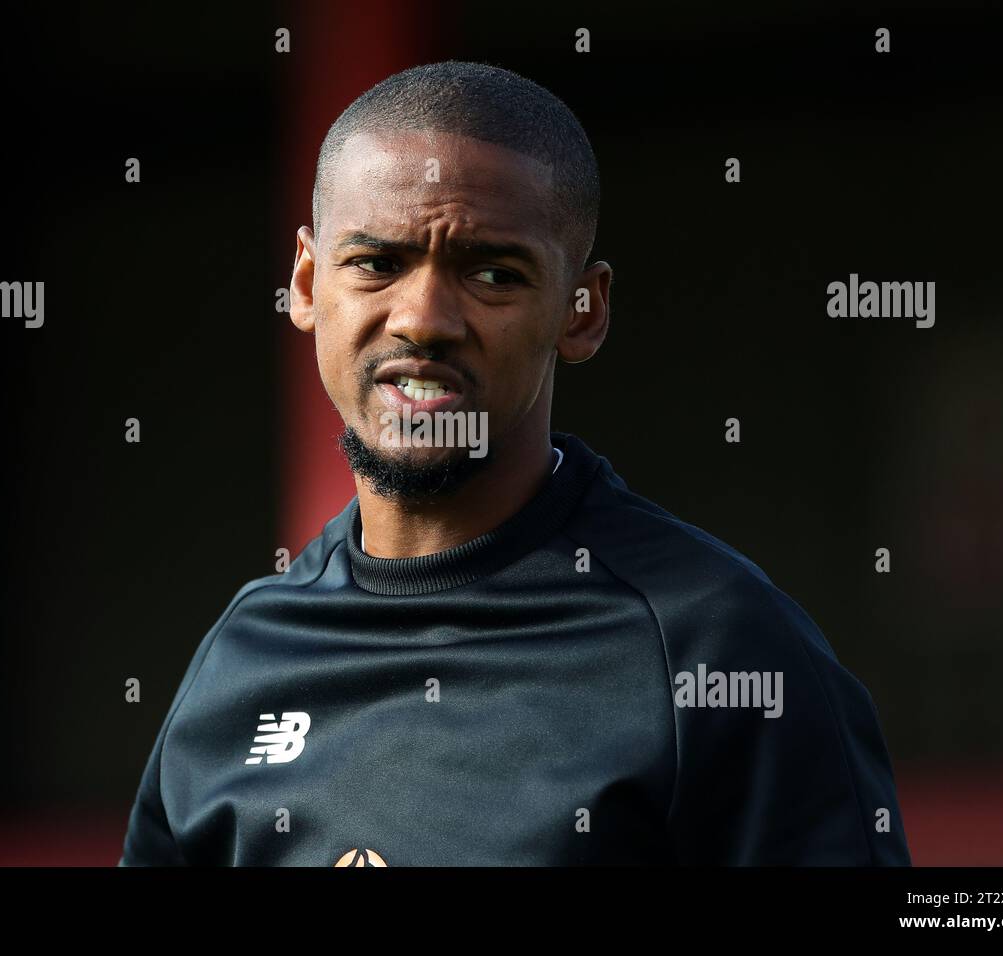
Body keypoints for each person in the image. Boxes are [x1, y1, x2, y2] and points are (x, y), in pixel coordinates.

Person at [119, 60, 910, 866]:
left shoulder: (716, 649)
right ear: (307, 283)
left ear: (583, 311)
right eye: (376, 263)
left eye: (494, 273)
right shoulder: (246, 652)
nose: (423, 319)